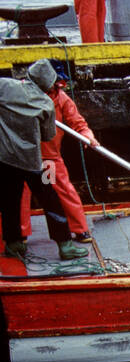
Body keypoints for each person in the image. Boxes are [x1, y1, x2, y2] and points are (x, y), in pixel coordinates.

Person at [0, 60, 84, 261]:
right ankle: (65, 245)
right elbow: (47, 135)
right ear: (48, 84)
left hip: (5, 160)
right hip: (34, 163)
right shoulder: (46, 103)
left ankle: (13, 244)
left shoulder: (5, 86)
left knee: (10, 201)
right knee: (50, 200)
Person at [20, 65, 97, 244]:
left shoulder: (61, 98)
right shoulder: (20, 95)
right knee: (20, 194)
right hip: (23, 158)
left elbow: (78, 122)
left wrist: (87, 135)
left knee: (58, 190)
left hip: (48, 160)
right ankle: (19, 234)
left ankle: (79, 229)